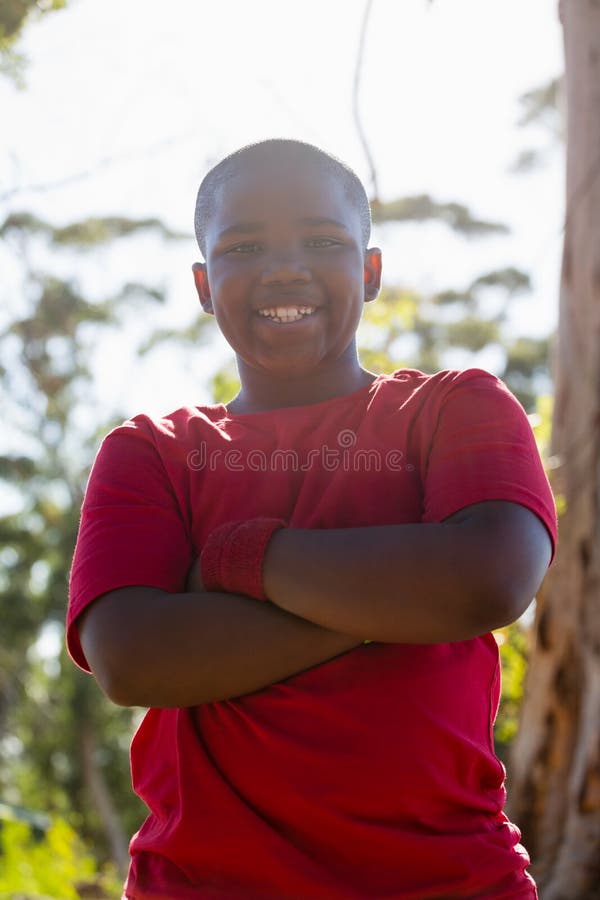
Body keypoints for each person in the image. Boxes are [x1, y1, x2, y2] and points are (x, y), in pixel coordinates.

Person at [67, 138, 557, 899]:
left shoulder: (456, 407)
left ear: (370, 271)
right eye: (244, 245)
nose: (285, 266)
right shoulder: (150, 454)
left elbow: (488, 582)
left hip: (454, 880)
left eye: (323, 240)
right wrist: (405, 598)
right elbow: (133, 657)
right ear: (203, 284)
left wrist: (242, 562)